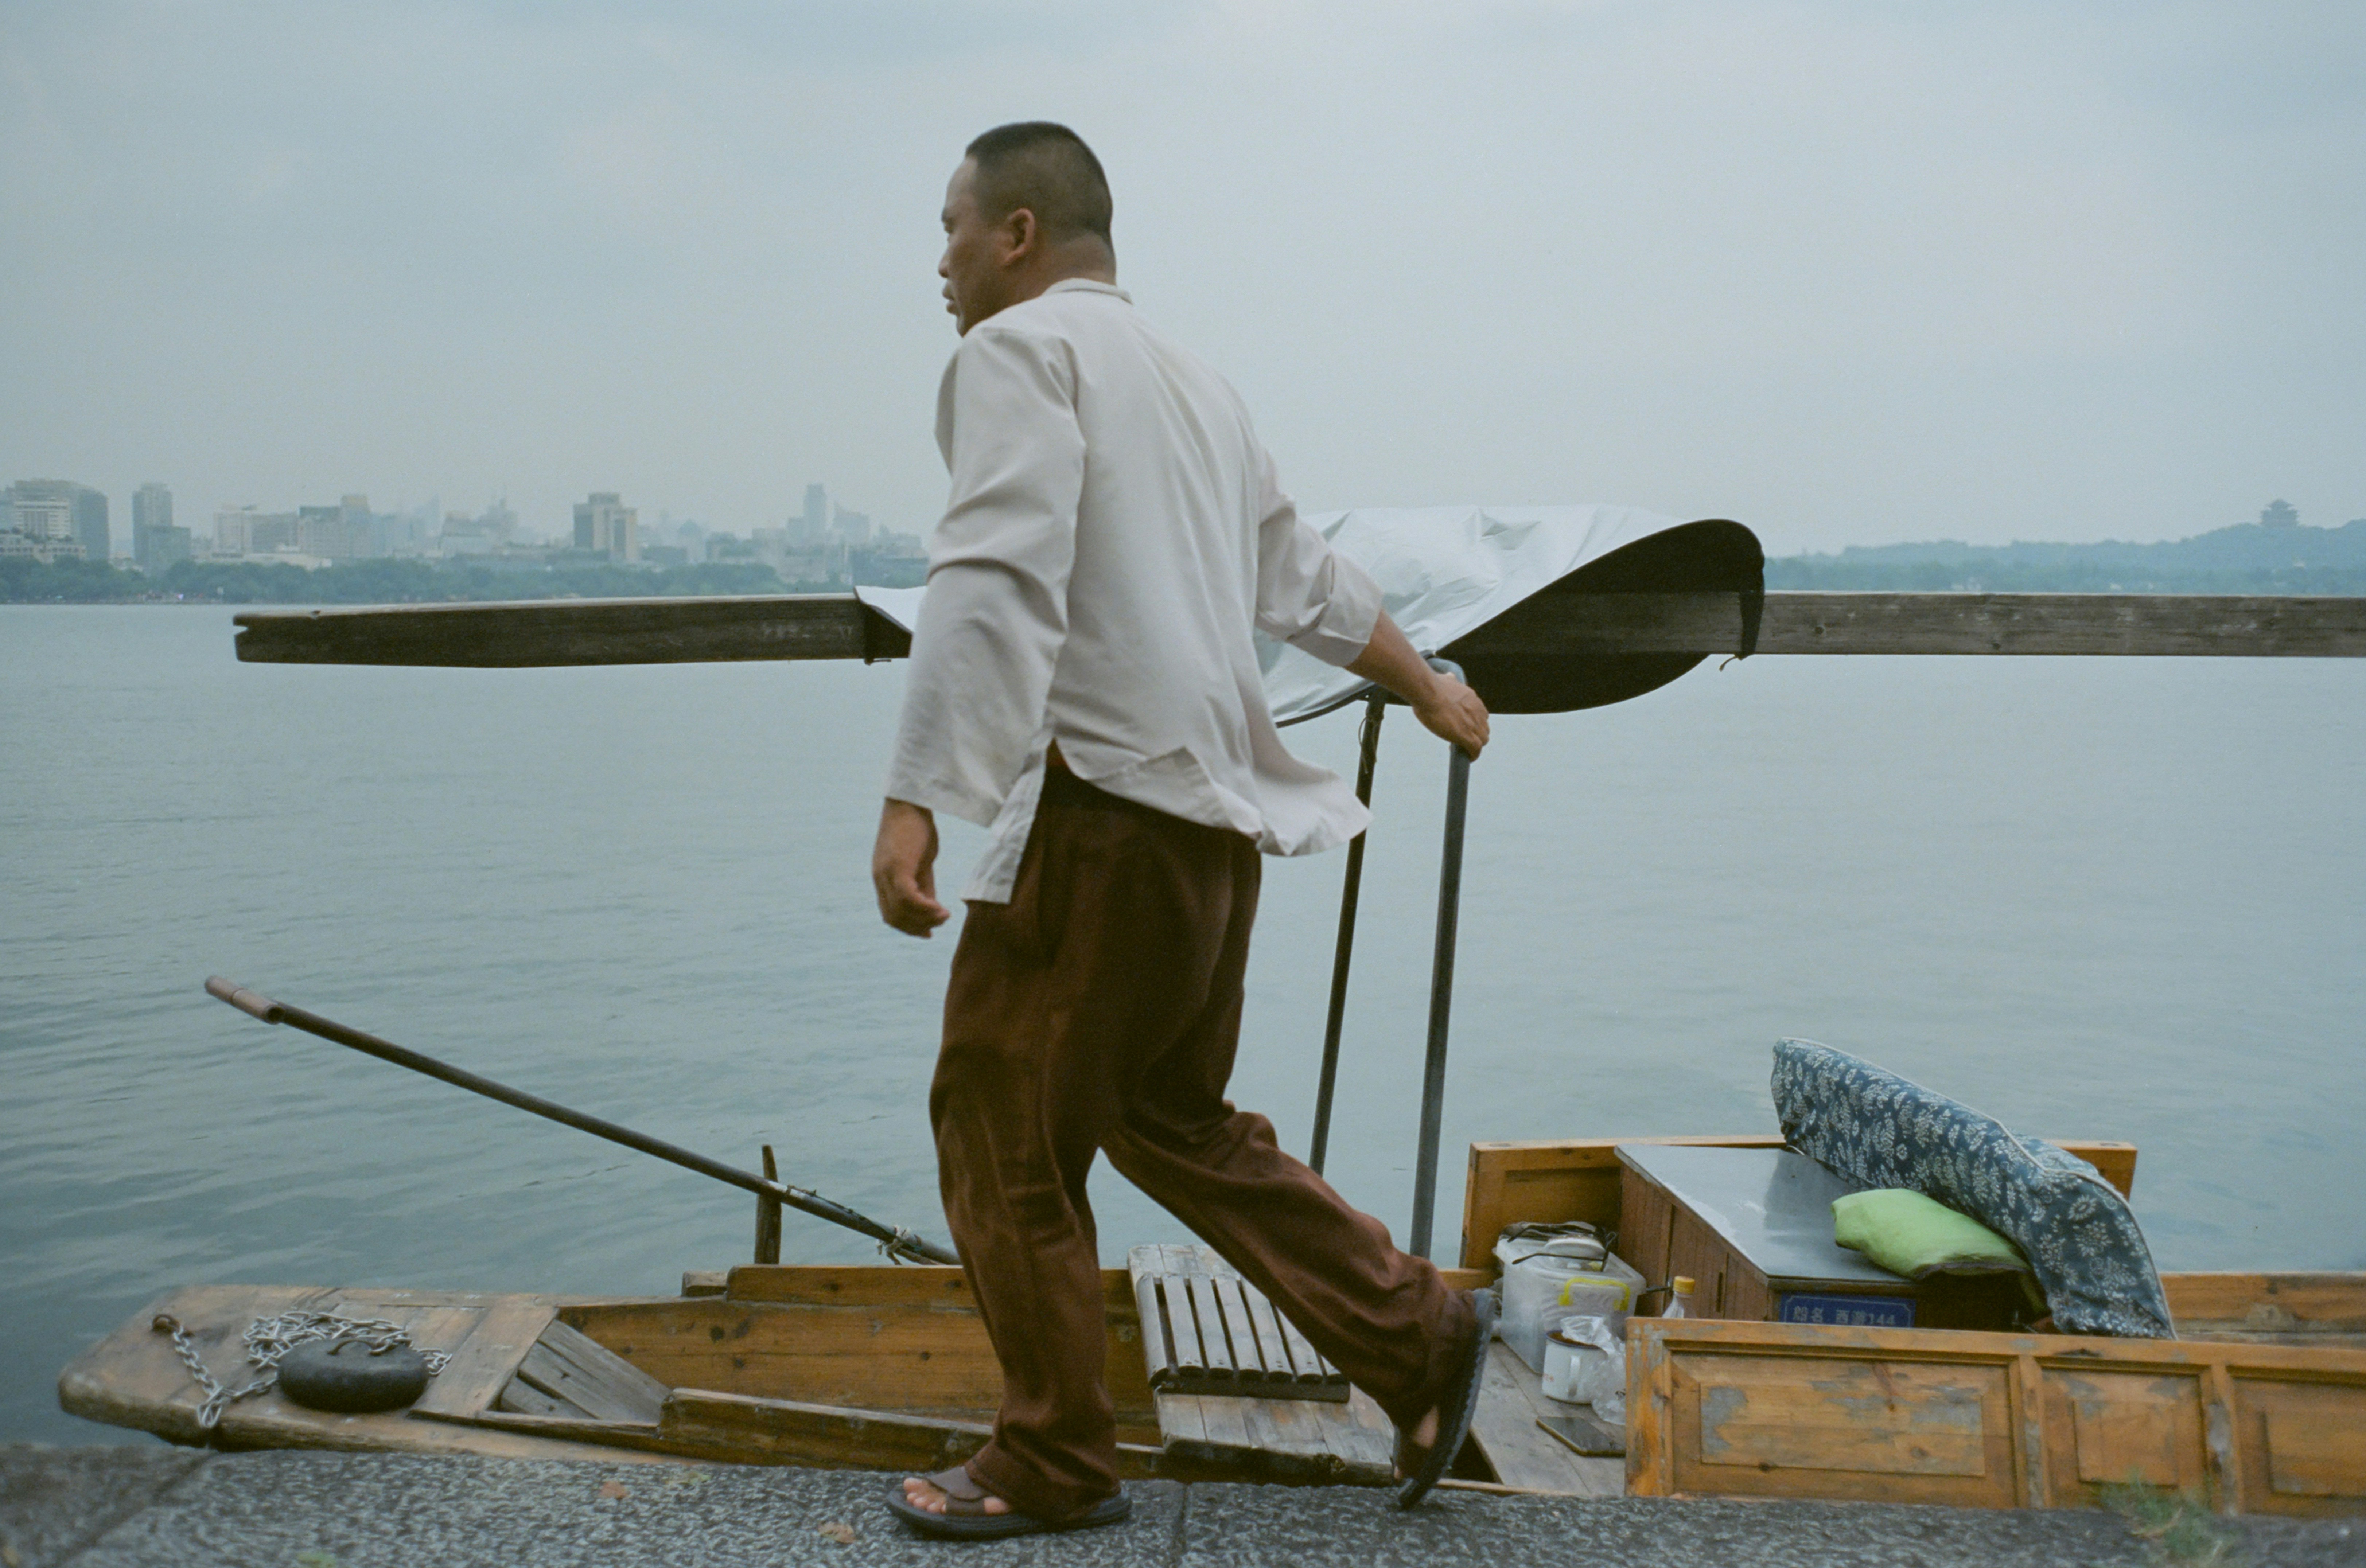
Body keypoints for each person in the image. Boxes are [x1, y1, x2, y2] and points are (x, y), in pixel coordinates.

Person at [872, 121, 1496, 1542]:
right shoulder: (1198, 383)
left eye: (956, 226)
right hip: (1209, 835)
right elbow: (1310, 579)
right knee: (1169, 1117)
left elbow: (991, 570)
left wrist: (920, 790)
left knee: (999, 1124)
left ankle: (1050, 1456)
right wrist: (1431, 685)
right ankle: (1417, 1334)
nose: (944, 260)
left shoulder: (1016, 355)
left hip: (1104, 818)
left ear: (1020, 232)